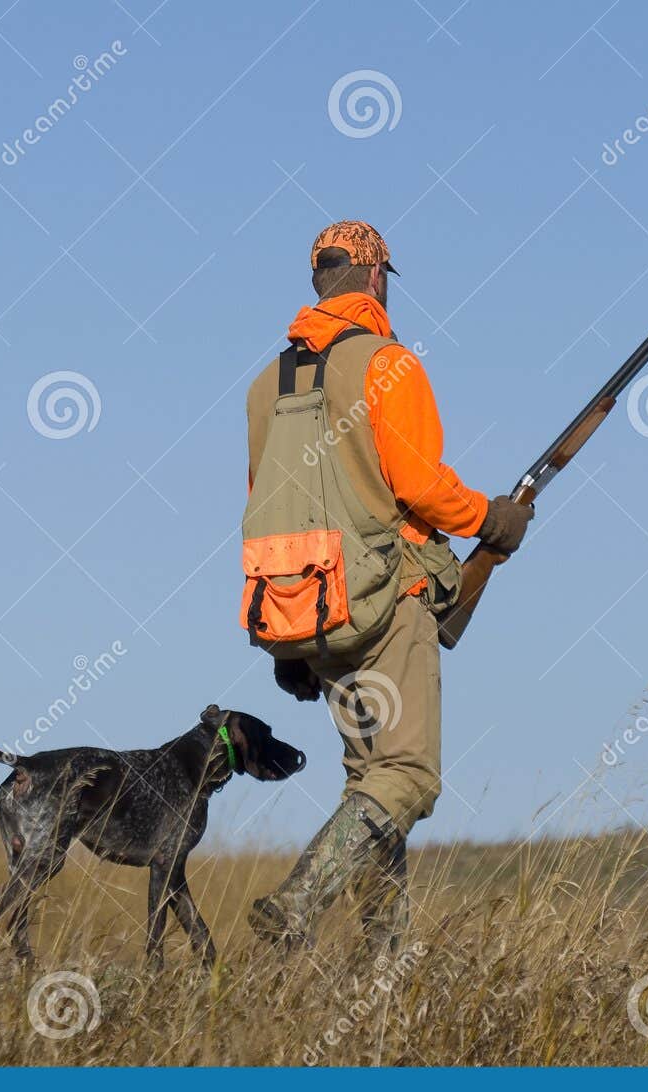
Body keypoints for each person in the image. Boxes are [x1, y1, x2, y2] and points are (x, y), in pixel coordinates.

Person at [239, 220, 532, 949]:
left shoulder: (264, 385)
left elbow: (266, 506)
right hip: (387, 602)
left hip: (310, 616)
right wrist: (490, 520)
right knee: (408, 774)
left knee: (370, 780)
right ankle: (300, 900)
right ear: (375, 280)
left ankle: (383, 965)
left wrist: (290, 646)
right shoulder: (387, 364)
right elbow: (421, 487)